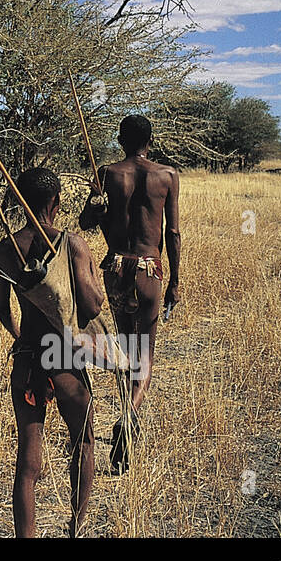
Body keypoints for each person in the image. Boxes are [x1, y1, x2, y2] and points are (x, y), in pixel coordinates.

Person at [0, 167, 106, 538]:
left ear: (20, 202)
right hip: (65, 357)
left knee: (28, 462)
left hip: (29, 358)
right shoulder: (72, 244)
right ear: (56, 201)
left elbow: (2, 308)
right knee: (83, 442)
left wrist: (22, 338)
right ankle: (75, 528)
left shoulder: (7, 248)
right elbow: (92, 306)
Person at [78, 113, 180, 473]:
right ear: (151, 141)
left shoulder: (107, 174)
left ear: (121, 141)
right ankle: (129, 415)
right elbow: (172, 234)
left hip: (117, 267)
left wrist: (98, 205)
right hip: (150, 269)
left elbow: (85, 223)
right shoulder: (167, 175)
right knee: (145, 357)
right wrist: (175, 282)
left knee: (125, 350)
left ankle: (127, 412)